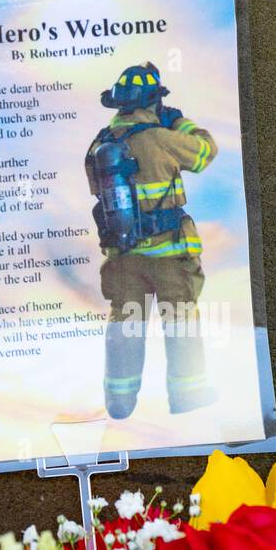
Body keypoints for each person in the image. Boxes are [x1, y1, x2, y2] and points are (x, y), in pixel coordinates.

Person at [85, 62, 218, 420]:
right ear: (154, 101)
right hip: (169, 255)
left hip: (122, 257)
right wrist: (178, 121)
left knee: (125, 326)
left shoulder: (100, 144)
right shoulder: (160, 136)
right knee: (179, 322)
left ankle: (120, 402)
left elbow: (98, 190)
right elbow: (206, 151)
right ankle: (187, 398)